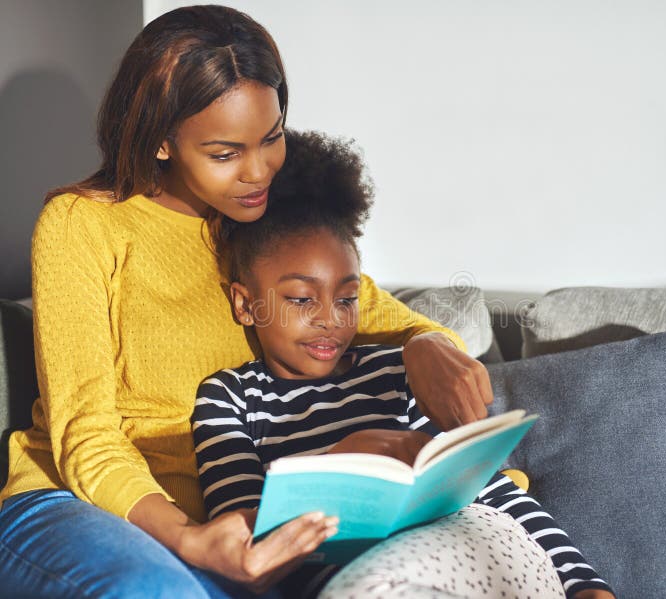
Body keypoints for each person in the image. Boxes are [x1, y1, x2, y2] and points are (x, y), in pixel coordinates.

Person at [0, 6, 497, 597]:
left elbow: (380, 316)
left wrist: (430, 343)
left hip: (238, 521)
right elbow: (85, 436)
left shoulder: (265, 220)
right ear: (160, 139)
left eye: (272, 137)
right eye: (224, 153)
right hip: (85, 504)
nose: (259, 172)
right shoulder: (82, 226)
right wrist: (187, 536)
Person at [191, 129, 616, 599]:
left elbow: (492, 492)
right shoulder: (228, 398)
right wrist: (343, 458)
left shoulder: (396, 373)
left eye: (348, 298)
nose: (330, 319)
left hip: (479, 549)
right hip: (363, 580)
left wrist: (583, 581)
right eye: (300, 298)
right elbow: (247, 549)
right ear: (246, 304)